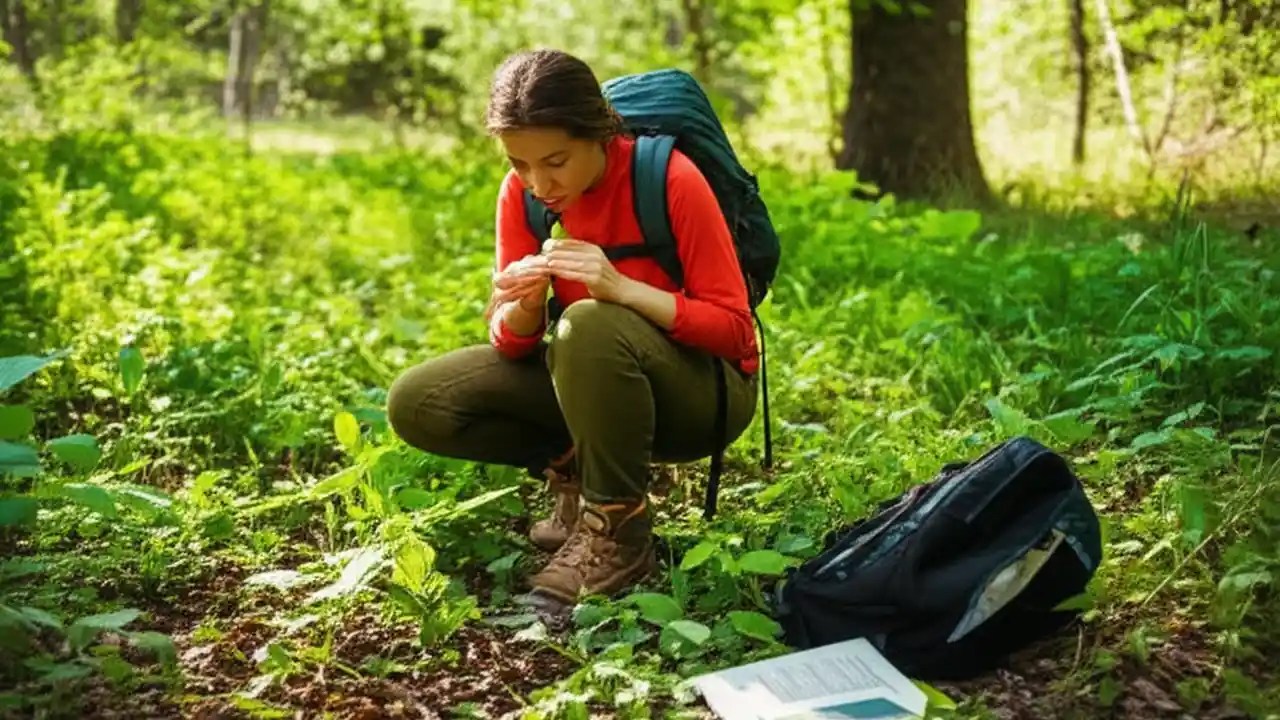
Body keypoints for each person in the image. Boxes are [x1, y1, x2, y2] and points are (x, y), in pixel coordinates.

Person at [385, 48, 760, 606]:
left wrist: (622, 290)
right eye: (519, 163)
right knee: (419, 401)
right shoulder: (523, 197)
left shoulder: (670, 179)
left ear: (600, 134)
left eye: (556, 161)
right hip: (591, 377)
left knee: (587, 323)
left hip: (703, 397)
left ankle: (619, 534)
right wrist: (528, 305)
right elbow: (510, 342)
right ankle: (582, 476)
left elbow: (735, 332)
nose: (538, 182)